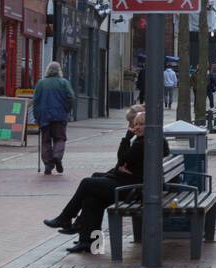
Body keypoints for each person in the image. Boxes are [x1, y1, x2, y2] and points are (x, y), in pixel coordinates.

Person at [44, 110, 163, 253]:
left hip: (133, 189)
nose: (137, 127)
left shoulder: (143, 143)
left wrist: (126, 138)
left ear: (149, 126)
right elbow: (124, 163)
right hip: (133, 184)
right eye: (135, 124)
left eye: (141, 124)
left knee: (87, 183)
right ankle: (88, 241)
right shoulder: (146, 140)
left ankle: (67, 218)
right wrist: (122, 166)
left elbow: (122, 159)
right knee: (92, 198)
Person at [32, 62, 75, 175]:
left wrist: (37, 116)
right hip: (60, 116)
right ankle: (57, 156)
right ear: (59, 70)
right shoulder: (64, 83)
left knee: (45, 141)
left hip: (44, 117)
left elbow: (35, 101)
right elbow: (71, 97)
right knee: (59, 139)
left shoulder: (41, 84)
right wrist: (66, 110)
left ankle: (48, 164)